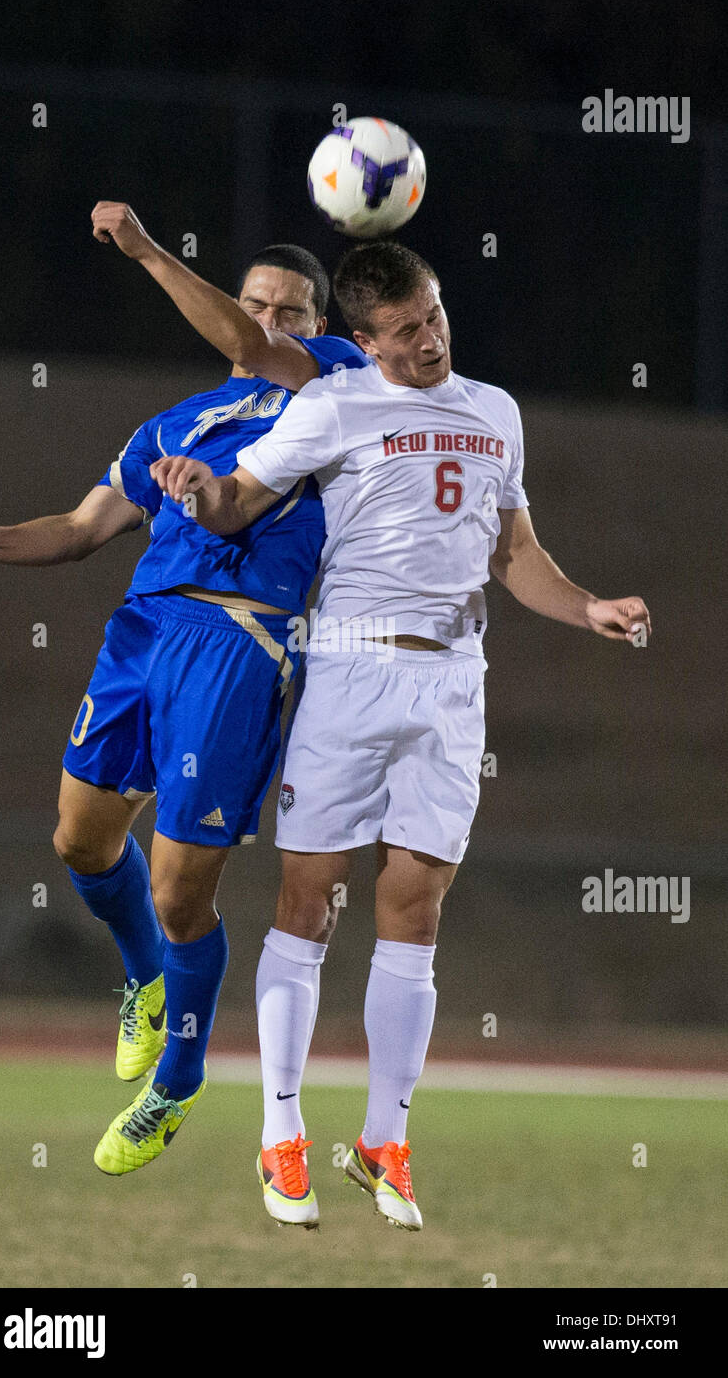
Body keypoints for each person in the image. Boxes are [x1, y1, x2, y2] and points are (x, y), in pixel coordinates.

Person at [149, 240, 652, 1230]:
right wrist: (197, 492)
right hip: (349, 666)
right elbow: (239, 498)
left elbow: (516, 553)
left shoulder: (494, 411)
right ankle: (282, 1130)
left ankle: (385, 1140)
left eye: (435, 315)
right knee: (311, 897)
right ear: (364, 342)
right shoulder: (333, 405)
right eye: (407, 329)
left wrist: (587, 605)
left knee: (416, 908)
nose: (430, 338)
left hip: (454, 677)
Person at [0, 203, 367, 1177]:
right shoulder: (172, 425)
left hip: (237, 639)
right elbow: (84, 526)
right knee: (80, 837)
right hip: (142, 632)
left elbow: (250, 345)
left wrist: (144, 250)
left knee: (184, 891)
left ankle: (179, 1074)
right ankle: (145, 979)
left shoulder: (337, 387)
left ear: (320, 329)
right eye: (256, 303)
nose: (269, 323)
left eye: (291, 313)